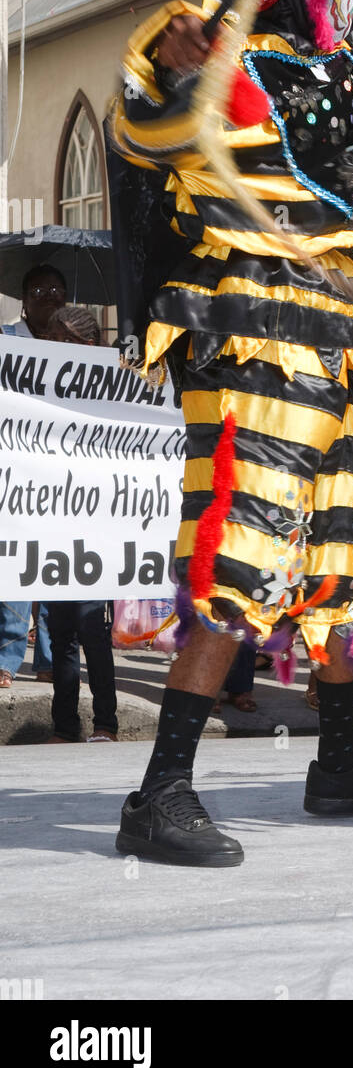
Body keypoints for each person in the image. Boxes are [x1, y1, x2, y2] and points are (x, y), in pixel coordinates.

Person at [106, 0, 353, 865]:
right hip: (255, 330)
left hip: (348, 341)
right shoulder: (213, 51)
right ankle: (161, 791)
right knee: (243, 556)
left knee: (347, 559)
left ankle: (338, 759)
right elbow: (145, 129)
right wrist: (181, 65)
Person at [41, 306, 118, 743]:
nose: (48, 345)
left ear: (83, 346)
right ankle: (65, 725)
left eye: (57, 338)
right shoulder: (43, 387)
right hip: (52, 519)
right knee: (60, 630)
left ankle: (105, 722)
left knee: (92, 627)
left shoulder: (109, 390)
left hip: (95, 523)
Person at [0, 265, 69, 687]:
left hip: (67, 479)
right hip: (18, 472)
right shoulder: (6, 342)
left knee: (62, 567)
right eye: (39, 289)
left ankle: (51, 660)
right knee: (19, 565)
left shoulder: (80, 346)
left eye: (56, 289)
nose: (49, 295)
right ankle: (7, 658)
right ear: (24, 301)